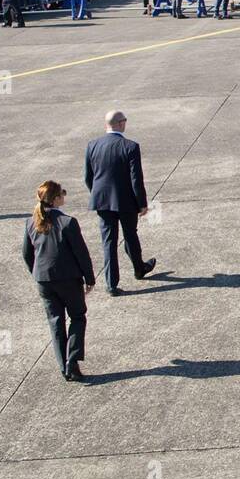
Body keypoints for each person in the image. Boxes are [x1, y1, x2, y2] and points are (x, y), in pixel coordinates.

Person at [22, 181, 96, 382]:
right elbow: (81, 253)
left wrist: (37, 274)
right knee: (78, 316)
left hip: (43, 281)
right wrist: (90, 278)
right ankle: (72, 361)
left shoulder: (31, 222)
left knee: (55, 322)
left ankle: (64, 367)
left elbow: (27, 255)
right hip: (68, 279)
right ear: (55, 200)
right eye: (62, 194)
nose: (64, 197)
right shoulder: (68, 222)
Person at [84, 110, 156, 296]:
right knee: (130, 235)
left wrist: (98, 195)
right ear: (121, 123)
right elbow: (136, 179)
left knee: (108, 242)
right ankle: (139, 269)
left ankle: (111, 284)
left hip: (102, 202)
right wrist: (142, 203)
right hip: (125, 202)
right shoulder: (130, 146)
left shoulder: (93, 145)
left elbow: (88, 177)